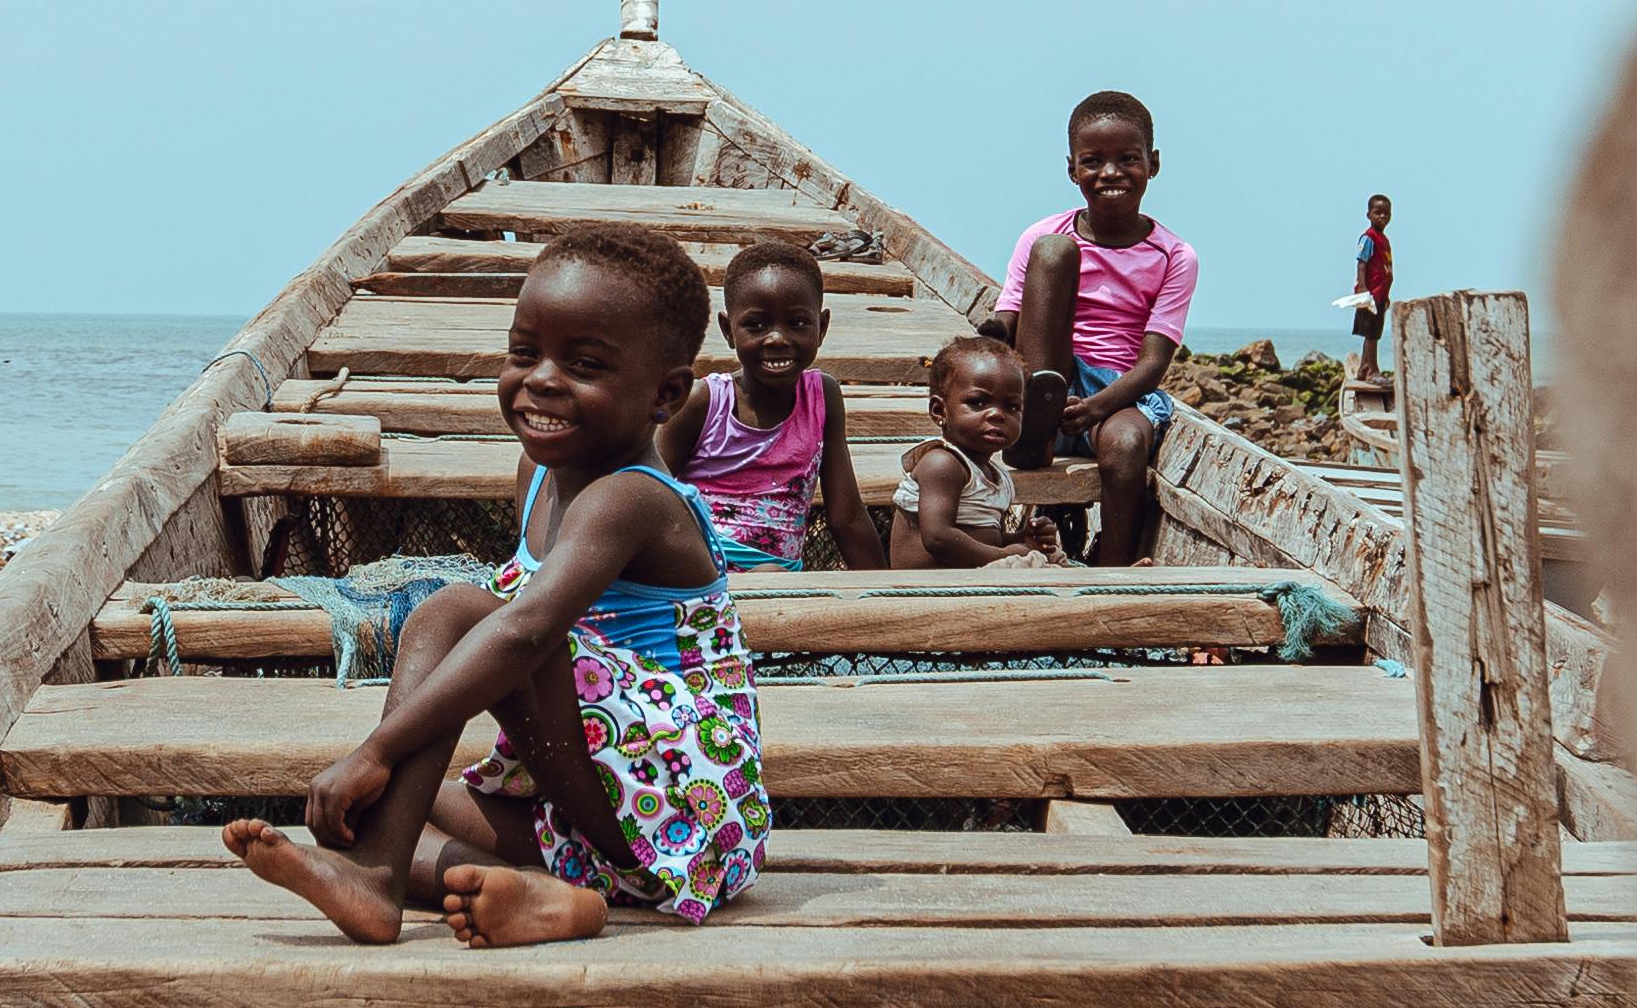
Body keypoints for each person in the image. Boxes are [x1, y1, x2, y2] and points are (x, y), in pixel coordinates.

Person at [223, 223, 766, 944]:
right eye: (524, 352)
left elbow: (526, 631)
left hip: (685, 812)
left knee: (455, 612)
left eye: (584, 364)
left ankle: (376, 877)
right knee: (407, 806)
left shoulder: (630, 497)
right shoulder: (538, 472)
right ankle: (556, 897)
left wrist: (376, 751)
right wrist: (390, 769)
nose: (541, 379)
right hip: (601, 806)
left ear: (665, 395)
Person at [989, 89, 1197, 568]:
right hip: (1049, 377)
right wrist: (990, 341)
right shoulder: (1042, 233)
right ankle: (1034, 430)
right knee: (1054, 251)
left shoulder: (1175, 255)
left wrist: (1095, 408)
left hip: (1117, 392)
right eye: (1093, 161)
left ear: (1153, 163)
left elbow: (1154, 362)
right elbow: (1010, 317)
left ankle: (1114, 572)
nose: (1110, 173)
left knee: (1126, 446)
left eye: (1128, 159)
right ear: (1072, 169)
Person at [663, 240, 886, 571]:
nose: (777, 339)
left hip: (781, 581)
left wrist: (884, 590)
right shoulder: (704, 402)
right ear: (728, 331)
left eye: (797, 323)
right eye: (756, 325)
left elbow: (847, 517)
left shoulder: (823, 395)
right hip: (700, 572)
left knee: (772, 573)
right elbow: (646, 489)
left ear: (822, 327)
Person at [892, 338, 1066, 567]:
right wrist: (1007, 556)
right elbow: (938, 539)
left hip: (972, 573)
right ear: (939, 410)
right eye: (978, 402)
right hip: (931, 581)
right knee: (1039, 567)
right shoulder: (942, 463)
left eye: (1012, 407)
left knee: (1051, 558)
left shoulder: (997, 476)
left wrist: (1023, 539)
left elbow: (988, 538)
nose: (997, 414)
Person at [1350, 193, 1394, 371]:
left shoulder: (1383, 239)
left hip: (1380, 293)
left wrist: (1386, 295)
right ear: (1369, 215)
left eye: (1386, 213)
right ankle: (1373, 369)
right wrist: (1362, 287)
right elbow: (1362, 262)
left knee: (1374, 331)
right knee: (1372, 334)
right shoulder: (1369, 237)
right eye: (1378, 212)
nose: (1382, 216)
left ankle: (1364, 367)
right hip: (1370, 293)